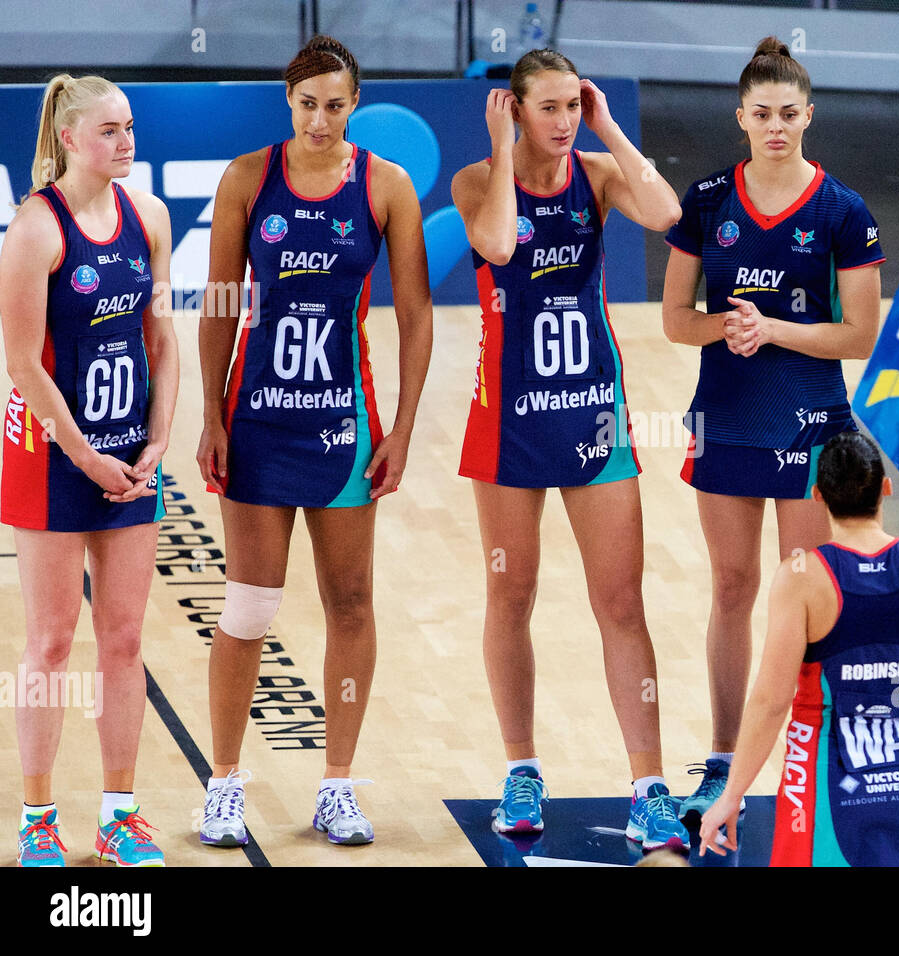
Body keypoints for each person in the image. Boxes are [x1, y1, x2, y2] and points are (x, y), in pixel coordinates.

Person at [195, 35, 433, 847]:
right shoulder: (247, 178)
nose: (321, 119)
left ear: (355, 104)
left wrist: (402, 424)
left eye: (335, 104)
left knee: (351, 603)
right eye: (307, 104)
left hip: (344, 424)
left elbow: (415, 313)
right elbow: (220, 303)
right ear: (286, 103)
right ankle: (223, 784)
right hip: (258, 418)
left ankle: (339, 786)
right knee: (250, 605)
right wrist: (210, 416)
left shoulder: (386, 186)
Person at [451, 49, 689, 850]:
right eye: (546, 108)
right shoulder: (475, 181)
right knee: (509, 598)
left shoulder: (596, 171)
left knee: (622, 603)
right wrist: (498, 157)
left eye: (570, 107)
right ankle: (521, 769)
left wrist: (610, 126)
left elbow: (665, 214)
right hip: (508, 419)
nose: (562, 123)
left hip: (593, 415)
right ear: (514, 109)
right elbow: (498, 248)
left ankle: (649, 786)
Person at [661, 36, 883, 824]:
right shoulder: (708, 199)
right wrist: (728, 324)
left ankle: (808, 759)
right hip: (726, 421)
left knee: (806, 590)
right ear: (741, 118)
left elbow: (860, 335)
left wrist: (776, 330)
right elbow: (675, 322)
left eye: (790, 114)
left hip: (812, 425)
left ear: (809, 116)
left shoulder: (842, 211)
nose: (777, 127)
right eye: (763, 115)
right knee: (731, 588)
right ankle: (723, 763)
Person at [0, 75, 178, 866]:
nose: (126, 143)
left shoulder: (151, 217)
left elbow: (163, 338)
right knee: (49, 641)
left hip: (128, 455)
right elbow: (20, 362)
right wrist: (83, 455)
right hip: (51, 453)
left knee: (125, 635)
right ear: (70, 139)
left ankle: (119, 812)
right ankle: (37, 815)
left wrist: (156, 442)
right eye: (109, 131)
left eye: (130, 128)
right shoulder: (36, 229)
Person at [698, 431, 899, 866]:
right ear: (886, 487)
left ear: (817, 495)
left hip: (825, 784)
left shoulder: (802, 577)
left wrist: (731, 795)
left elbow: (771, 701)